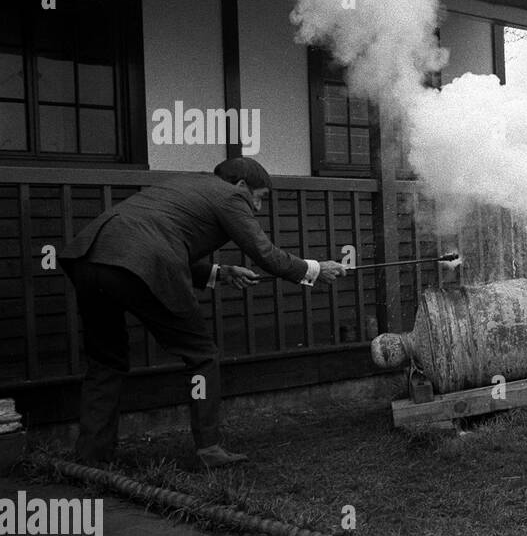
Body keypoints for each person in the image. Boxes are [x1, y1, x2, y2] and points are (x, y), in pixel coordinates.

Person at [59, 157, 346, 471]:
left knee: (106, 360)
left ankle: (91, 456)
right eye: (260, 197)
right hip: (137, 264)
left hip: (87, 259)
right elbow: (265, 254)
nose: (259, 207)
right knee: (202, 355)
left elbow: (154, 238)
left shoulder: (188, 184)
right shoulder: (231, 195)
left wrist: (219, 273)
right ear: (241, 186)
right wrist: (315, 269)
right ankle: (209, 448)